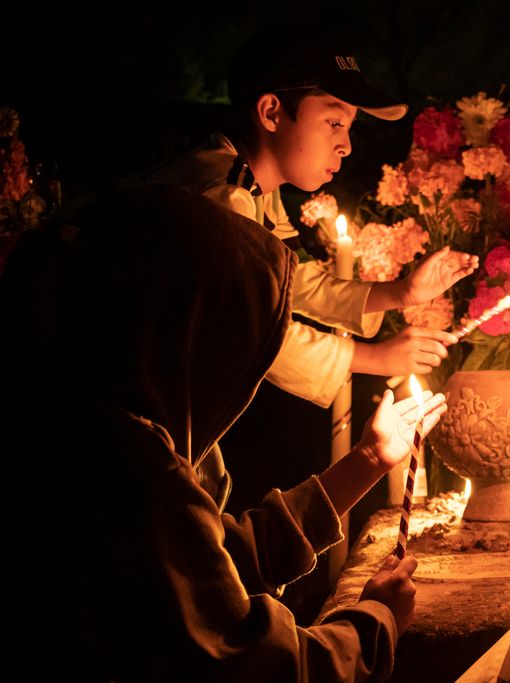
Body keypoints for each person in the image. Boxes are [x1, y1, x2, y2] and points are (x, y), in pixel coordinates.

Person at [0, 185, 446, 681]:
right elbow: (254, 664)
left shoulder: (91, 421)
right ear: (189, 331)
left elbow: (213, 563)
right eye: (237, 340)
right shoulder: (129, 465)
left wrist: (368, 460)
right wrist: (374, 623)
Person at [141, 22, 479, 410]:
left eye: (350, 127)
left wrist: (401, 293)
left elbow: (291, 281)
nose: (347, 146)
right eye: (334, 122)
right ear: (271, 112)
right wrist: (372, 357)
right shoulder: (221, 200)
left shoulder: (256, 191)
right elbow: (250, 327)